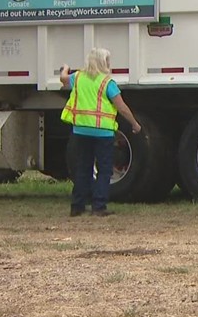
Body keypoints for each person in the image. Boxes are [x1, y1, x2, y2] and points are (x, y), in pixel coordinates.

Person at [60, 48, 142, 217]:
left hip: (81, 130)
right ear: (103, 63)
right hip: (102, 132)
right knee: (104, 170)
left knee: (83, 168)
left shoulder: (78, 77)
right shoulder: (107, 83)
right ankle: (99, 206)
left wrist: (66, 68)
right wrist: (134, 124)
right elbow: (122, 107)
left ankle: (77, 206)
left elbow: (63, 79)